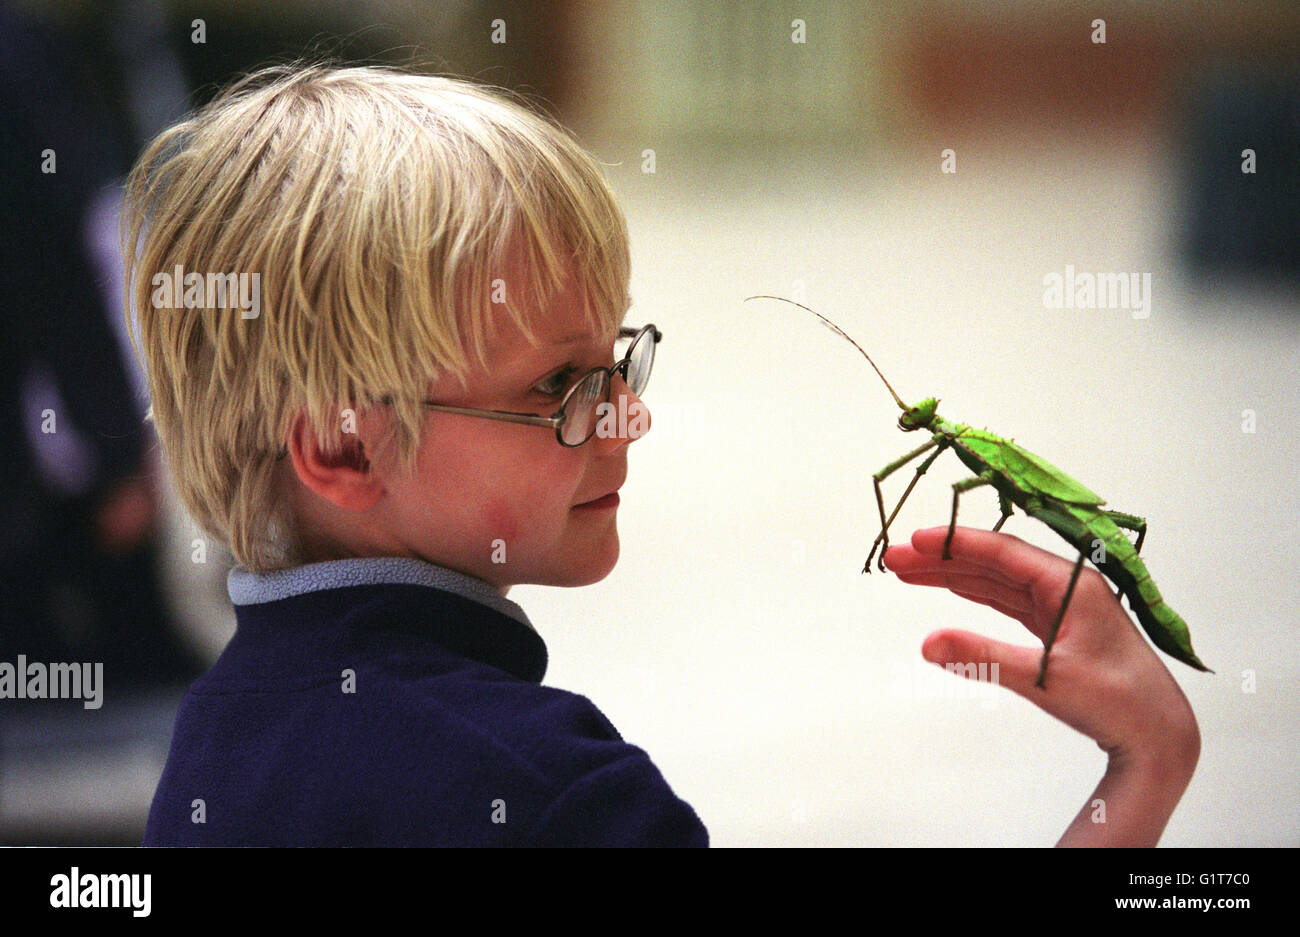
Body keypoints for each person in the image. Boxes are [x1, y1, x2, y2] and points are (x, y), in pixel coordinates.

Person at [125, 62, 1198, 847]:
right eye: (559, 386)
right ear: (342, 445)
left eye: (620, 362)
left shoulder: (207, 750)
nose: (629, 420)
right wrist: (1141, 769)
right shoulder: (560, 798)